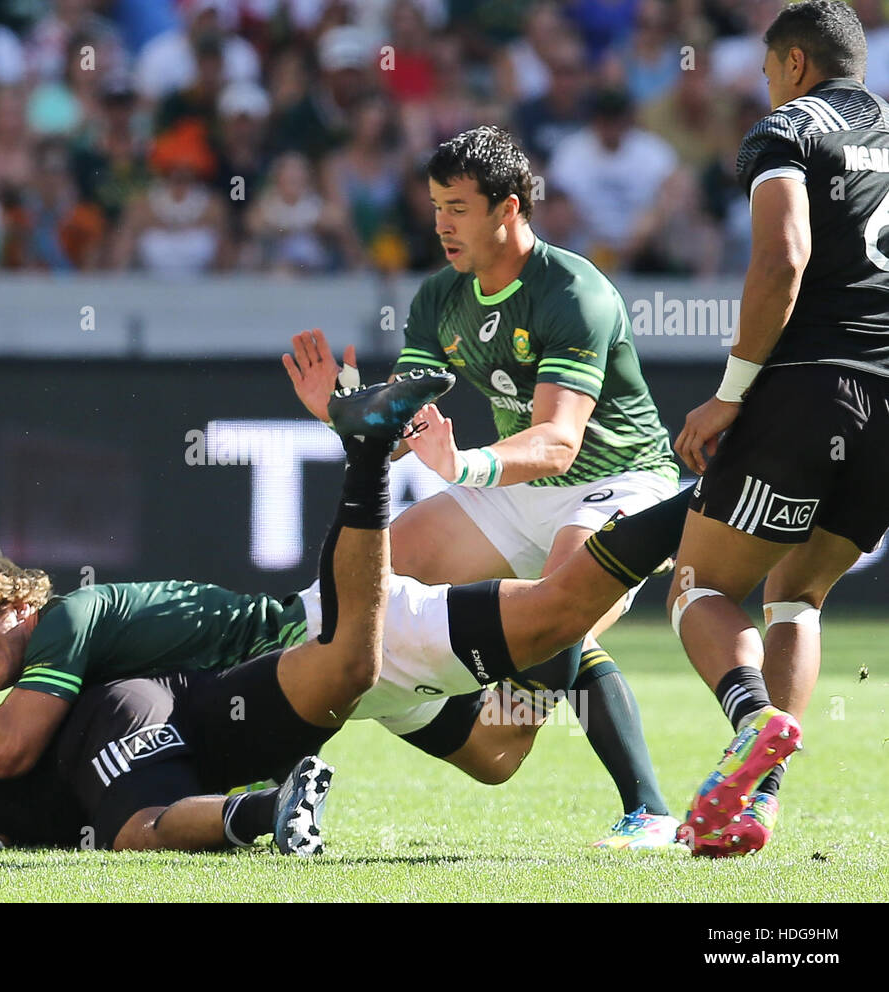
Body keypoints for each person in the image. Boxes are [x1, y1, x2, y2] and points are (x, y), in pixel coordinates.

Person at [0, 372, 455, 853]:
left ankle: (381, 461)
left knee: (502, 618)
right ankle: (551, 661)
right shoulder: (54, 655)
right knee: (494, 750)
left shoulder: (60, 629)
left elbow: (10, 747)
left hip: (302, 647)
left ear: (17, 603)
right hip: (283, 666)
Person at [285, 125, 683, 849]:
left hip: (620, 483)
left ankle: (651, 811)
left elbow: (560, 444)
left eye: (458, 207)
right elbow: (398, 412)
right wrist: (345, 408)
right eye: (436, 205)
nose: (440, 223)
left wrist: (464, 464)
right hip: (514, 486)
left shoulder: (574, 291)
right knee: (375, 595)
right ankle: (286, 744)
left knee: (557, 608)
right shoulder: (440, 297)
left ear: (509, 207)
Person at [670, 0, 889, 858]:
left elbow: (783, 259)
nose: (766, 87)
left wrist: (729, 393)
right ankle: (755, 803)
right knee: (797, 595)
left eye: (767, 72)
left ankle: (753, 721)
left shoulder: (788, 129)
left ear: (793, 65)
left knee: (699, 588)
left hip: (810, 388)